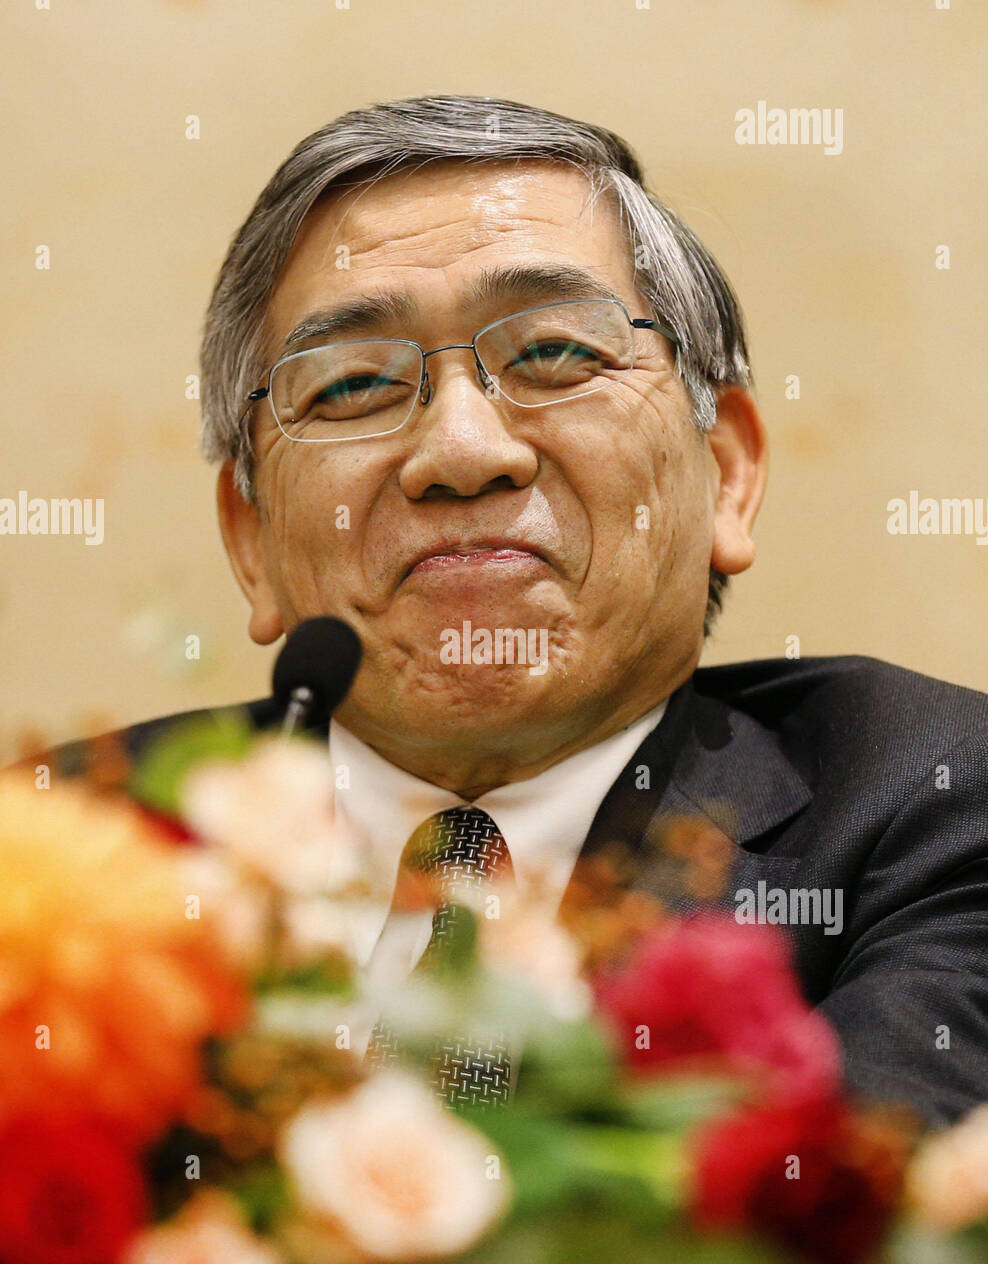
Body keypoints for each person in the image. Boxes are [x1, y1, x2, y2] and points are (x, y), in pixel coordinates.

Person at [41, 95, 988, 1124]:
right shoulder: (61, 861)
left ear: (723, 477)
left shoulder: (926, 805)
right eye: (354, 383)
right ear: (250, 539)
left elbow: (851, 1241)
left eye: (552, 355)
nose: (461, 450)